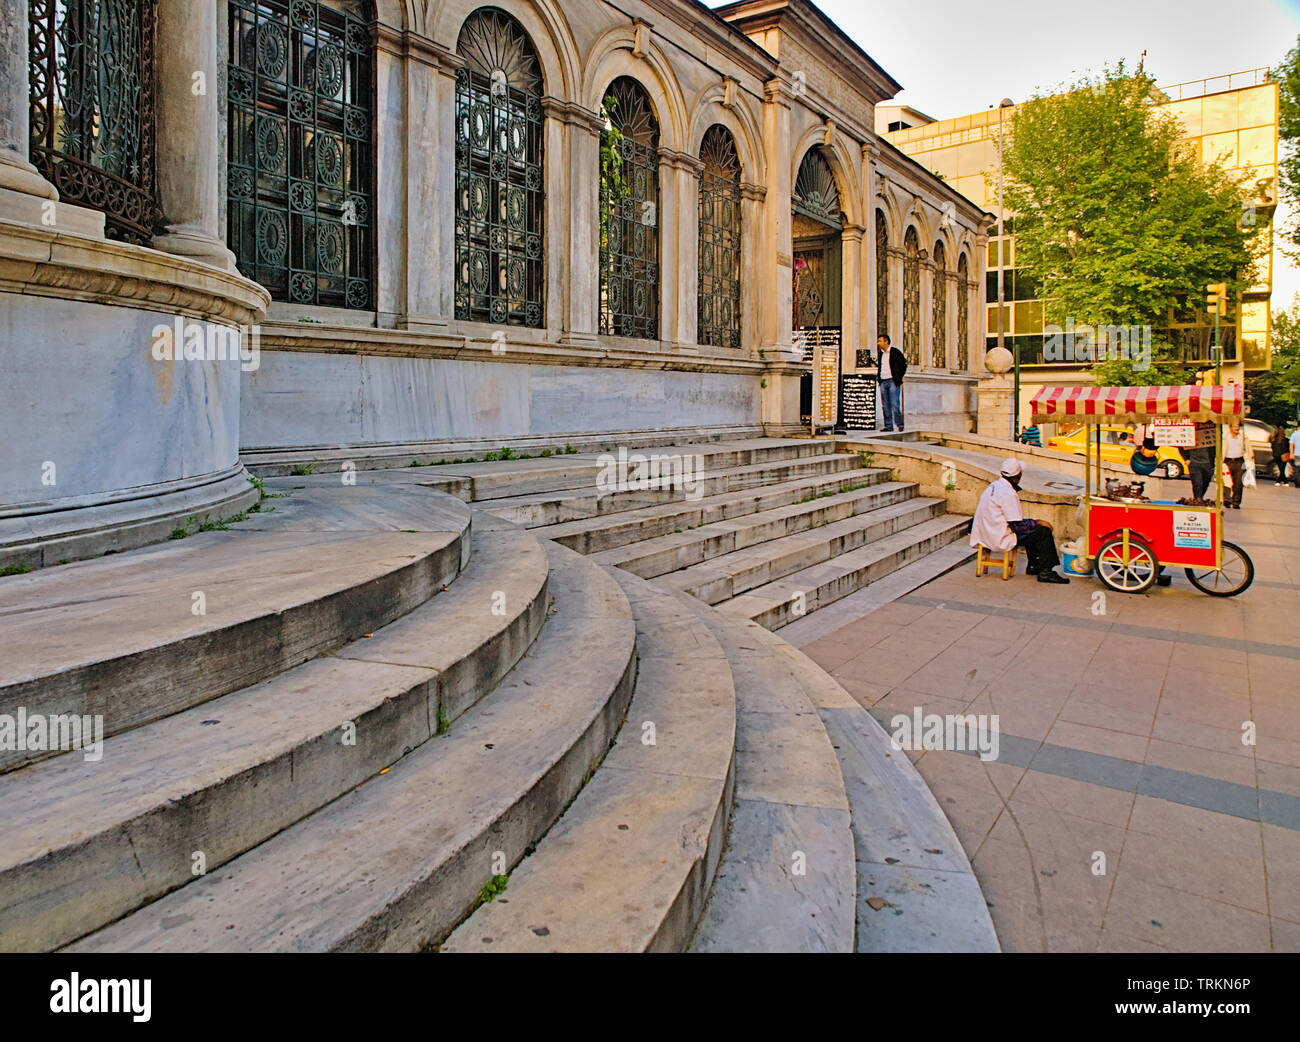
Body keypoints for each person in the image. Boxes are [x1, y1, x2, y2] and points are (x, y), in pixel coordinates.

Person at [970, 458, 1070, 584]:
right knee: (1043, 532)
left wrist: (1034, 523)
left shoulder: (992, 487)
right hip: (999, 537)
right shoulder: (1008, 493)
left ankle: (1034, 566)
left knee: (1033, 529)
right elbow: (1017, 526)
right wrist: (1038, 522)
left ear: (1002, 473)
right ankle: (1046, 571)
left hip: (986, 534)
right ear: (1019, 475)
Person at [876, 333, 908, 432]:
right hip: (883, 380)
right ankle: (888, 426)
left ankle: (899, 424)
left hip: (892, 381)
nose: (878, 343)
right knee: (885, 405)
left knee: (894, 403)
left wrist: (898, 376)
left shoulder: (895, 352)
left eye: (880, 341)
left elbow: (904, 364)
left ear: (886, 341)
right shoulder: (880, 354)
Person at [1224, 423, 1245, 509]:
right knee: (1226, 481)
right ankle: (1227, 500)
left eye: (1238, 426)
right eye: (1235, 426)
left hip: (1239, 461)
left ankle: (1236, 502)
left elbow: (1248, 449)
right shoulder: (1225, 437)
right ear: (1230, 427)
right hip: (1227, 461)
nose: (1237, 428)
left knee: (1238, 482)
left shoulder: (1243, 437)